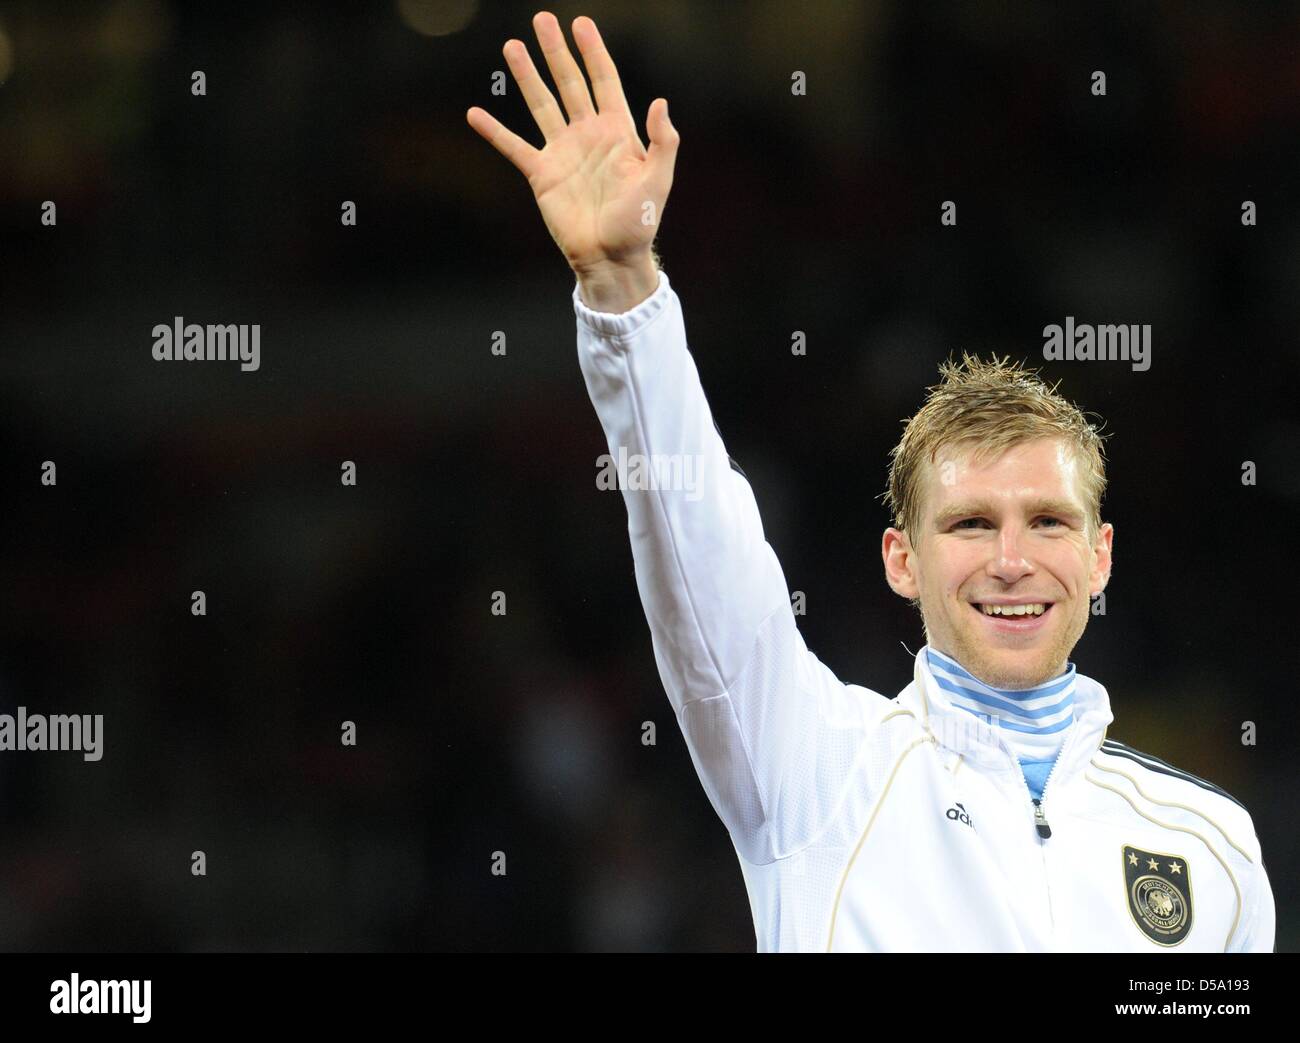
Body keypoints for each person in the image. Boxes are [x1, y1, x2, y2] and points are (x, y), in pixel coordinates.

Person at [467, 11, 1276, 952]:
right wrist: (623, 287)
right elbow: (700, 542)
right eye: (971, 524)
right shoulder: (815, 770)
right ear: (901, 558)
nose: (1013, 560)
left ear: (1100, 558)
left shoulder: (1211, 851)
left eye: (1047, 522)